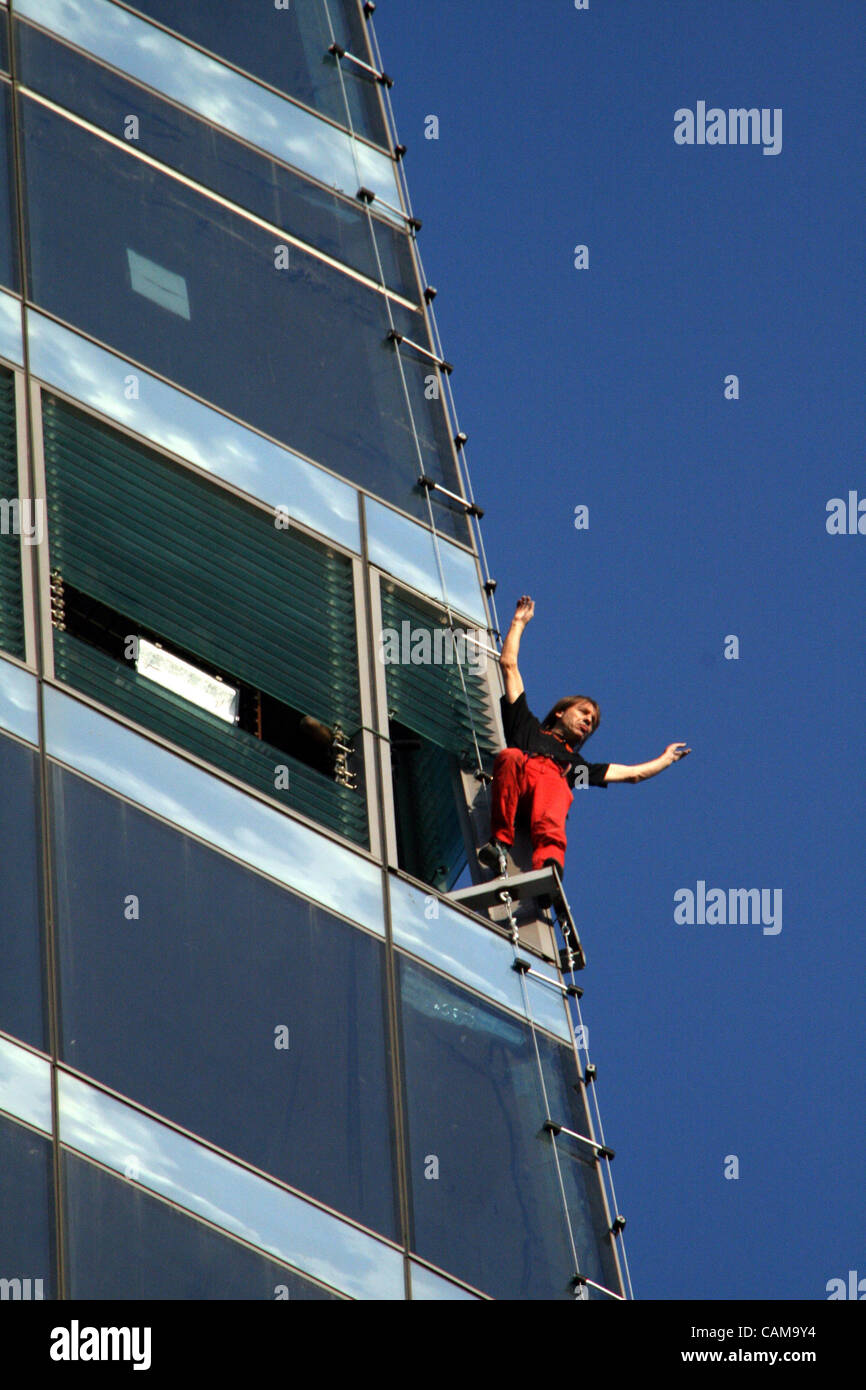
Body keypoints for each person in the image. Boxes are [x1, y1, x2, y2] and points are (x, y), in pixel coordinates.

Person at [478, 595, 691, 877]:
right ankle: (500, 844)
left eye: (592, 722)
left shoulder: (576, 766)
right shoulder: (526, 728)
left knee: (557, 783)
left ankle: (549, 865)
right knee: (511, 755)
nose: (588, 721)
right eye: (584, 713)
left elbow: (631, 774)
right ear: (560, 712)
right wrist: (518, 623)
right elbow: (509, 666)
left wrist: (665, 760)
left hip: (544, 805)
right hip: (515, 790)